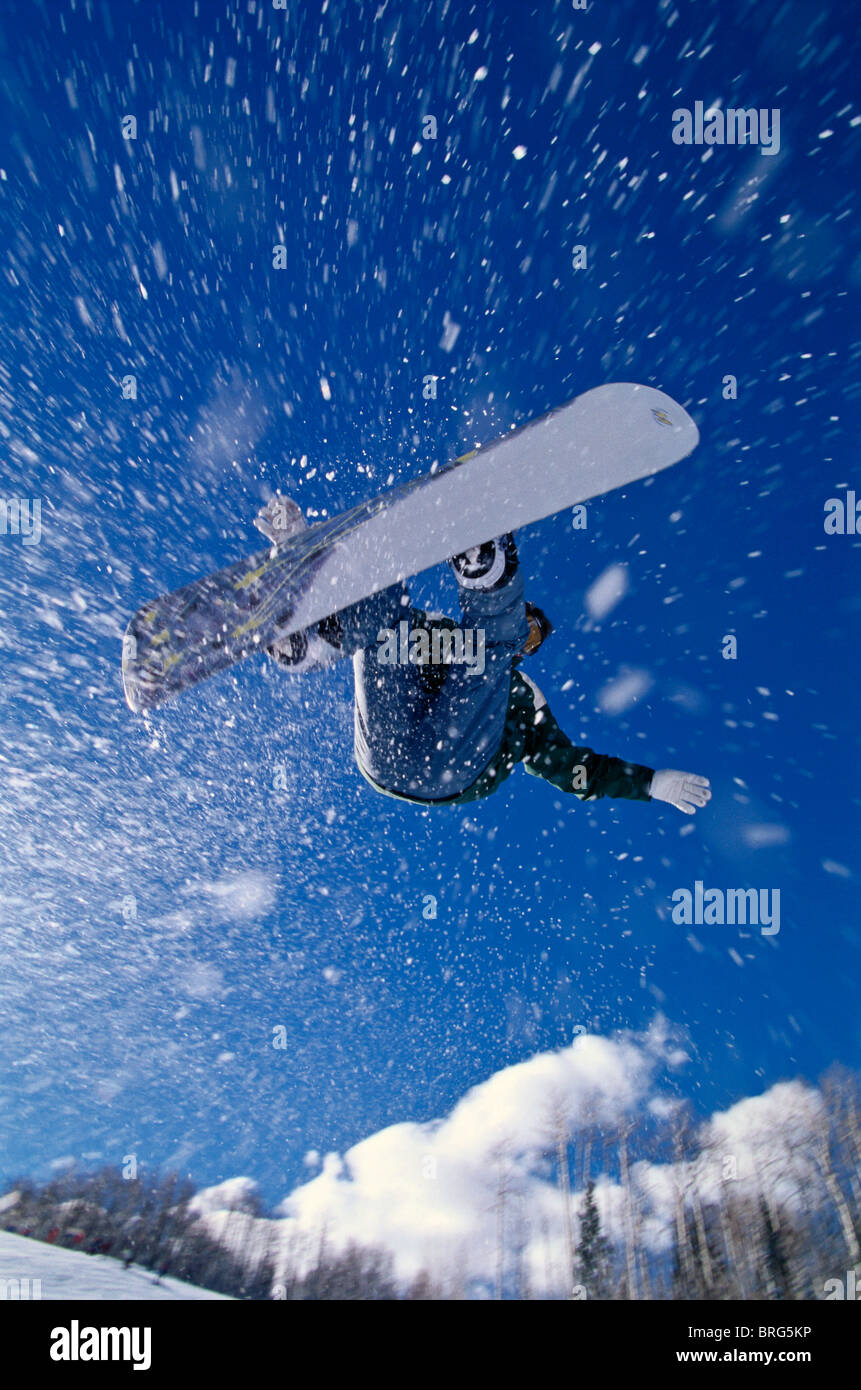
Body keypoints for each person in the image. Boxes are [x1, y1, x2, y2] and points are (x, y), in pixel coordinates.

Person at [256, 499, 711, 816]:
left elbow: (575, 772)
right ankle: (311, 639)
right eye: (530, 624)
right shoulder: (447, 638)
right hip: (385, 748)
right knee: (390, 611)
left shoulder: (524, 701)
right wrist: (303, 553)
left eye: (534, 637)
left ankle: (486, 571)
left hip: (454, 769)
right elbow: (383, 634)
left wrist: (650, 785)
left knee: (488, 647)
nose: (530, 639)